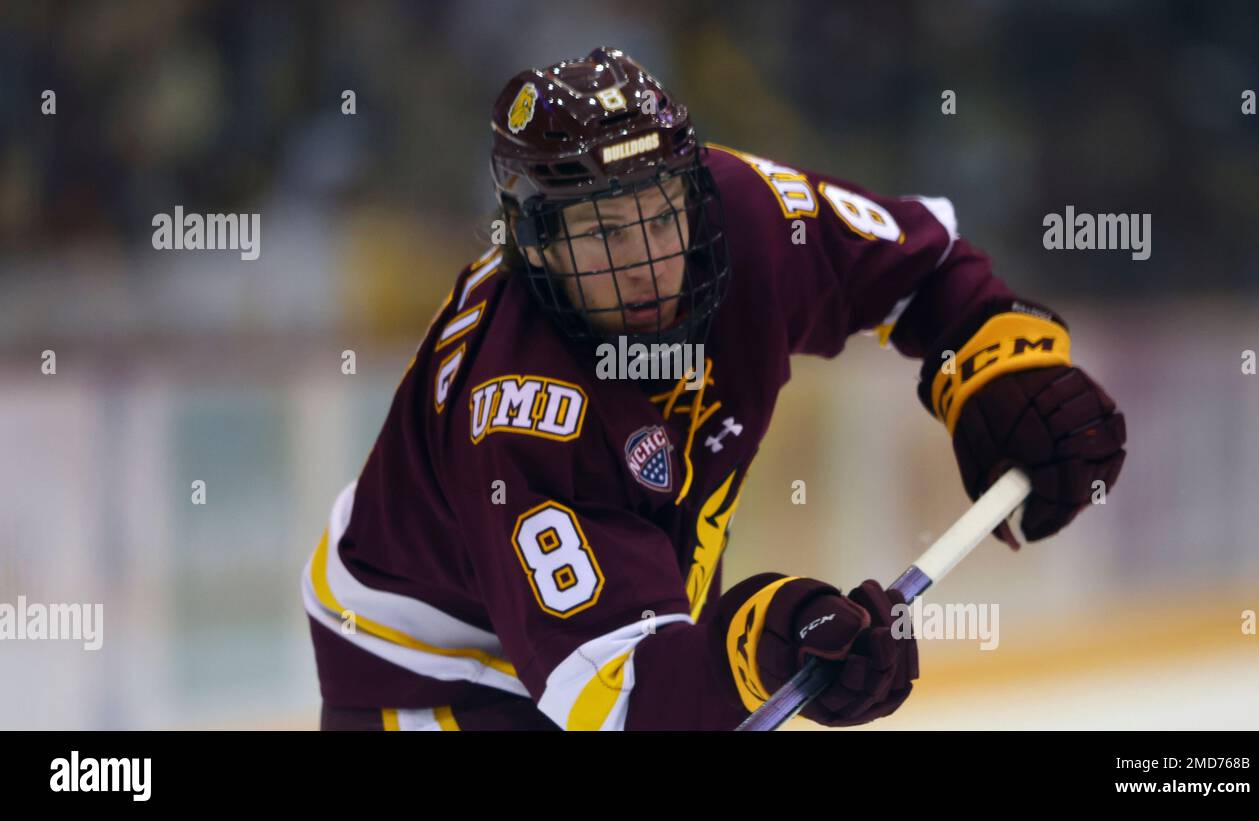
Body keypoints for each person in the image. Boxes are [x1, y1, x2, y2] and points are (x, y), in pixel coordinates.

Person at [303, 47, 1127, 731]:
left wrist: (1000, 366)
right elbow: (623, 696)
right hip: (428, 677)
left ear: (693, 191)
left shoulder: (752, 218)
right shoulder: (524, 408)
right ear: (536, 242)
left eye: (661, 216)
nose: (646, 264)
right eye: (602, 232)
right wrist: (770, 635)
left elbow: (926, 266)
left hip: (597, 643)